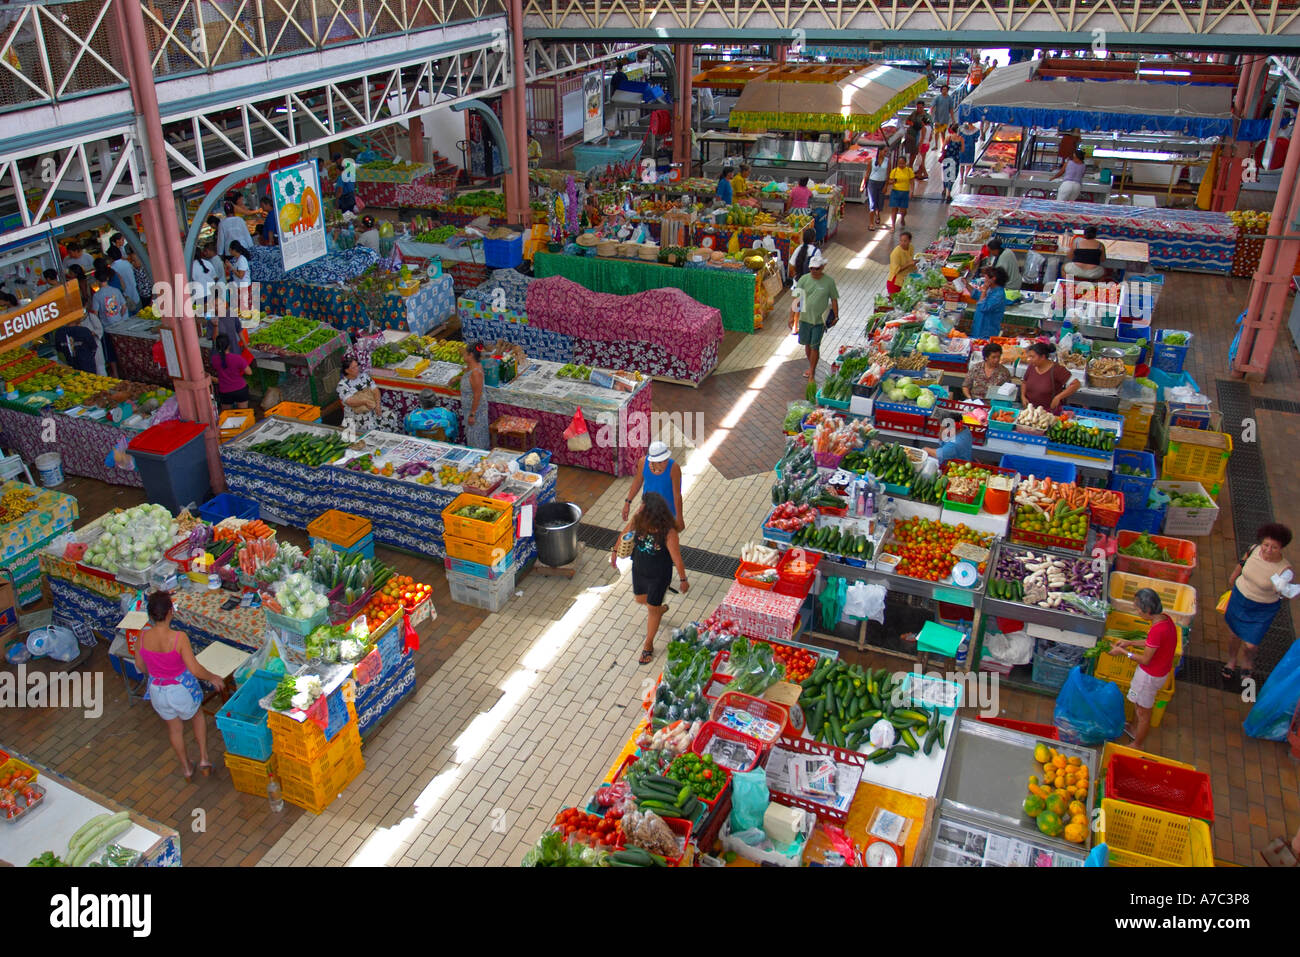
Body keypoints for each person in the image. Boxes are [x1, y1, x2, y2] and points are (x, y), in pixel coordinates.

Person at [133, 591, 224, 781]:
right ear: (169, 613)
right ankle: (204, 760)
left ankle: (186, 768)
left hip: (157, 691)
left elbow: (140, 666)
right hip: (181, 690)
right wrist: (212, 677)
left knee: (174, 729)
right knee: (197, 716)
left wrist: (157, 673)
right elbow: (194, 668)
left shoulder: (142, 636)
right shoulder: (178, 638)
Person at [612, 492, 689, 665]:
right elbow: (625, 533)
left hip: (659, 576)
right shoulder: (639, 519)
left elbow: (677, 558)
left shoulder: (668, 532)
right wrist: (615, 552)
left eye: (643, 506)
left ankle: (648, 645)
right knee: (641, 600)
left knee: (651, 609)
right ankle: (659, 610)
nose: (640, 508)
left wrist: (683, 579)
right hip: (639, 568)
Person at [1223, 523, 1295, 686]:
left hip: (1262, 608)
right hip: (1239, 599)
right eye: (1266, 545)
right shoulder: (1254, 549)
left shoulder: (1285, 570)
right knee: (1234, 635)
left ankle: (1247, 662)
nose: (1268, 550)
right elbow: (1242, 563)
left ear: (1281, 548)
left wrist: (1284, 591)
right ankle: (1232, 660)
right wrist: (1234, 575)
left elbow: (1287, 596)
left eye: (1274, 547)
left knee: (1251, 644)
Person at [1106, 588, 1176, 751]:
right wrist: (1130, 643)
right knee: (1140, 707)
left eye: (1138, 609)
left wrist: (1123, 652)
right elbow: (1152, 642)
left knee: (1144, 713)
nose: (1137, 612)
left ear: (1148, 610)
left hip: (1150, 676)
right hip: (1160, 671)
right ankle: (1132, 728)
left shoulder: (1158, 629)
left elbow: (1145, 659)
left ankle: (1137, 744)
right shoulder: (1165, 619)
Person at [790, 253, 838, 383]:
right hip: (805, 319)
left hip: (819, 321)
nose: (814, 271)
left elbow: (834, 299)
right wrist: (791, 317)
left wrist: (836, 315)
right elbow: (796, 299)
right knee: (807, 344)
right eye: (812, 268)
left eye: (817, 268)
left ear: (822, 267)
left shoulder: (829, 282)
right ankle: (811, 367)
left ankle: (812, 371)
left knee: (815, 346)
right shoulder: (804, 280)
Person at [622, 440, 685, 531]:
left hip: (667, 511)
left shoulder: (674, 468)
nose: (664, 463)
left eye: (665, 459)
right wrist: (627, 502)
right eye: (660, 461)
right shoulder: (643, 463)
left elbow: (677, 495)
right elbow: (637, 482)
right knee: (630, 532)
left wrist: (679, 518)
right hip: (648, 507)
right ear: (652, 460)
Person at [337, 354, 388, 437]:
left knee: (390, 416)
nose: (357, 369)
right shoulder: (342, 385)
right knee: (369, 426)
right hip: (356, 414)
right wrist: (365, 401)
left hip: (372, 407)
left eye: (357, 366)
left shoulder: (363, 376)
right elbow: (350, 402)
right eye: (353, 368)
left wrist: (378, 405)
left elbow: (375, 390)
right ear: (347, 370)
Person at [1020, 341, 1079, 411]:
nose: (1029, 359)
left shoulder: (1057, 369)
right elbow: (1024, 382)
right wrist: (1023, 396)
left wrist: (1058, 397)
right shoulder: (1032, 366)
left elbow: (1076, 384)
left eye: (1032, 357)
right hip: (1030, 410)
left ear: (1042, 357)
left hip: (1049, 412)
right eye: (1029, 356)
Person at [209, 333, 251, 410]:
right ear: (229, 345)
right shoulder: (237, 358)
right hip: (240, 389)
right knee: (244, 414)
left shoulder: (214, 359)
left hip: (225, 391)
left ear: (217, 347)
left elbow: (217, 369)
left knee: (227, 416)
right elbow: (249, 372)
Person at [460, 341, 489, 449]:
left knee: (477, 437)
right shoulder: (471, 367)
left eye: (464, 354)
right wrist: (456, 379)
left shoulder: (476, 373)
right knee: (472, 436)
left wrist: (472, 414)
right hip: (469, 409)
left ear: (470, 355)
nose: (463, 356)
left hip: (476, 411)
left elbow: (477, 394)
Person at [969, 266, 1009, 340]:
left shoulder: (998, 295)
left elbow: (983, 307)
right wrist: (966, 285)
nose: (984, 280)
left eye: (986, 278)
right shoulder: (991, 289)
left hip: (986, 331)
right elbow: (978, 295)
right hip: (978, 326)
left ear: (993, 279)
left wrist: (984, 290)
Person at [191, 241, 221, 325]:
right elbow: (215, 277)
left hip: (200, 295)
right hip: (212, 292)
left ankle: (208, 330)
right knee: (211, 314)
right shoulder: (207, 263)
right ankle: (214, 329)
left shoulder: (190, 267)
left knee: (203, 317)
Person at [107, 246, 139, 312]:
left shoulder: (112, 268)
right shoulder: (127, 263)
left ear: (111, 257)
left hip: (125, 298)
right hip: (135, 293)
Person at [888, 154, 915, 228]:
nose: (901, 165)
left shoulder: (909, 171)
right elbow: (889, 182)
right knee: (894, 209)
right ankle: (893, 225)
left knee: (903, 210)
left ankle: (902, 218)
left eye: (903, 163)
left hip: (905, 192)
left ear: (906, 163)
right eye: (899, 163)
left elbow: (912, 182)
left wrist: (911, 191)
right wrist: (893, 181)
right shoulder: (894, 171)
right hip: (895, 192)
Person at [867, 148, 891, 229]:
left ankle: (877, 214)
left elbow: (888, 175)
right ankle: (871, 223)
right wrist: (863, 184)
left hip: (882, 183)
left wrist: (886, 186)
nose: (885, 153)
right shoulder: (872, 161)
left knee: (880, 203)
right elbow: (868, 173)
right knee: (872, 203)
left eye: (886, 151)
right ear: (879, 151)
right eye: (884, 151)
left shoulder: (887, 161)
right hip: (872, 183)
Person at [887, 230, 916, 296]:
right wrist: (909, 264)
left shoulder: (911, 247)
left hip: (904, 281)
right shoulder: (896, 253)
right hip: (895, 283)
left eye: (905, 241)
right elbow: (896, 270)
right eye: (901, 240)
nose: (902, 243)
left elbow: (910, 260)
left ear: (910, 241)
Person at [225, 240, 252, 312]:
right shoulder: (237, 259)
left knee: (244, 308)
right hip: (239, 286)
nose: (229, 251)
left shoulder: (242, 260)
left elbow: (241, 275)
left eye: (230, 250)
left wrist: (231, 267)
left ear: (234, 250)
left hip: (244, 286)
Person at [939, 126, 962, 203]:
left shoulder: (948, 137)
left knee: (946, 174)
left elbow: (943, 147)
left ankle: (944, 189)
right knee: (953, 176)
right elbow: (962, 150)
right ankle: (949, 193)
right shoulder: (961, 139)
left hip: (948, 157)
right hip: (956, 158)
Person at [931, 84, 954, 148]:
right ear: (941, 90)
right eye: (943, 89)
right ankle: (936, 145)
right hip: (937, 118)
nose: (944, 91)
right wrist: (931, 113)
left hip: (945, 119)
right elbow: (932, 106)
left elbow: (951, 109)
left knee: (943, 133)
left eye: (946, 90)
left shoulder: (949, 99)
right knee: (936, 132)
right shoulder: (938, 98)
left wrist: (953, 119)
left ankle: (943, 146)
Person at [958, 120, 981, 184]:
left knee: (962, 164)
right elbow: (976, 140)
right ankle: (966, 177)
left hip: (962, 148)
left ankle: (961, 179)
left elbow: (959, 137)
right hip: (970, 149)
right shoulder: (976, 130)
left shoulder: (961, 129)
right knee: (969, 164)